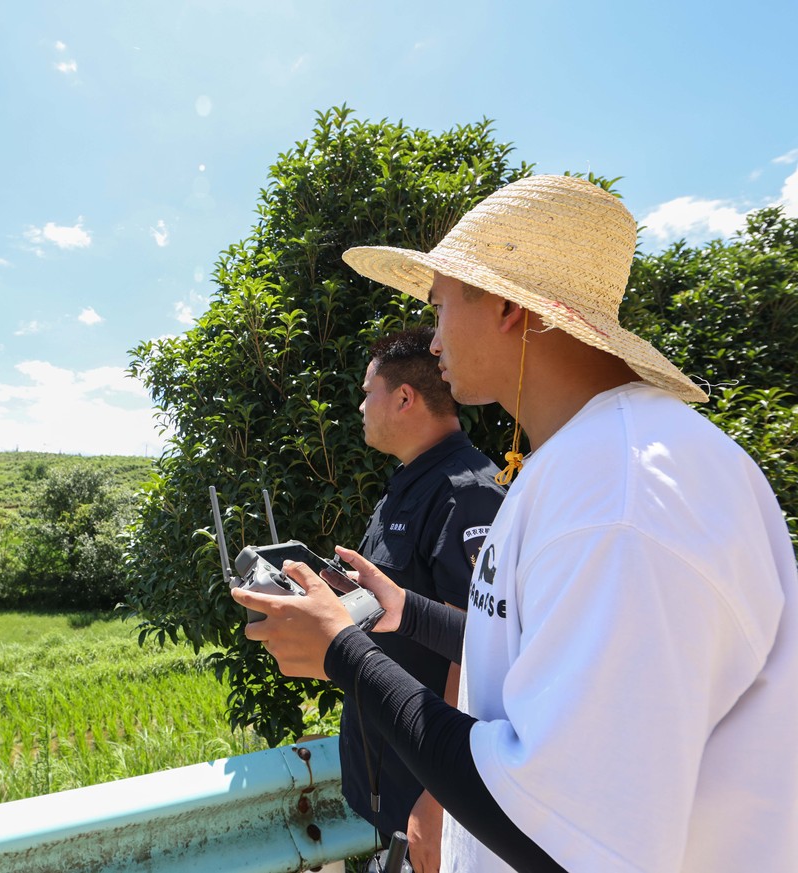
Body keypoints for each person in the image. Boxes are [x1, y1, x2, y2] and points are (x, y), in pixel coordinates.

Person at [232, 175, 798, 872]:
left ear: (506, 305)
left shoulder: (617, 499)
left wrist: (342, 652)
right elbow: (532, 653)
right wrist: (406, 610)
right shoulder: (591, 463)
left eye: (439, 306)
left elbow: (556, 834)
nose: (433, 339)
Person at [341, 327, 504, 873]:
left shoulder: (467, 492)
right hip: (389, 777)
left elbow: (474, 653)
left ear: (404, 398)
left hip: (427, 796)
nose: (361, 406)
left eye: (368, 392)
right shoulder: (409, 482)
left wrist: (441, 800)